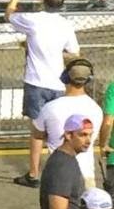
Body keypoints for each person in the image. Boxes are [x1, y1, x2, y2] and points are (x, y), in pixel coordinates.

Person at [6, 0, 80, 188]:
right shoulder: (65, 24)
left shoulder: (33, 19)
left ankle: (34, 174)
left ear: (42, 0)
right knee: (58, 132)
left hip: (36, 82)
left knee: (37, 132)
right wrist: (56, 54)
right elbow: (74, 53)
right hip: (57, 83)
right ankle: (59, 173)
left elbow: (9, 14)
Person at [31, 58, 102, 187]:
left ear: (65, 77)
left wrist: (34, 171)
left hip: (58, 174)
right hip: (86, 175)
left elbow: (37, 137)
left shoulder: (49, 108)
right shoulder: (96, 109)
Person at [39, 115, 94, 209]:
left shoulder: (68, 159)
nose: (89, 141)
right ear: (68, 135)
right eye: (83, 135)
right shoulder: (62, 166)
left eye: (90, 135)